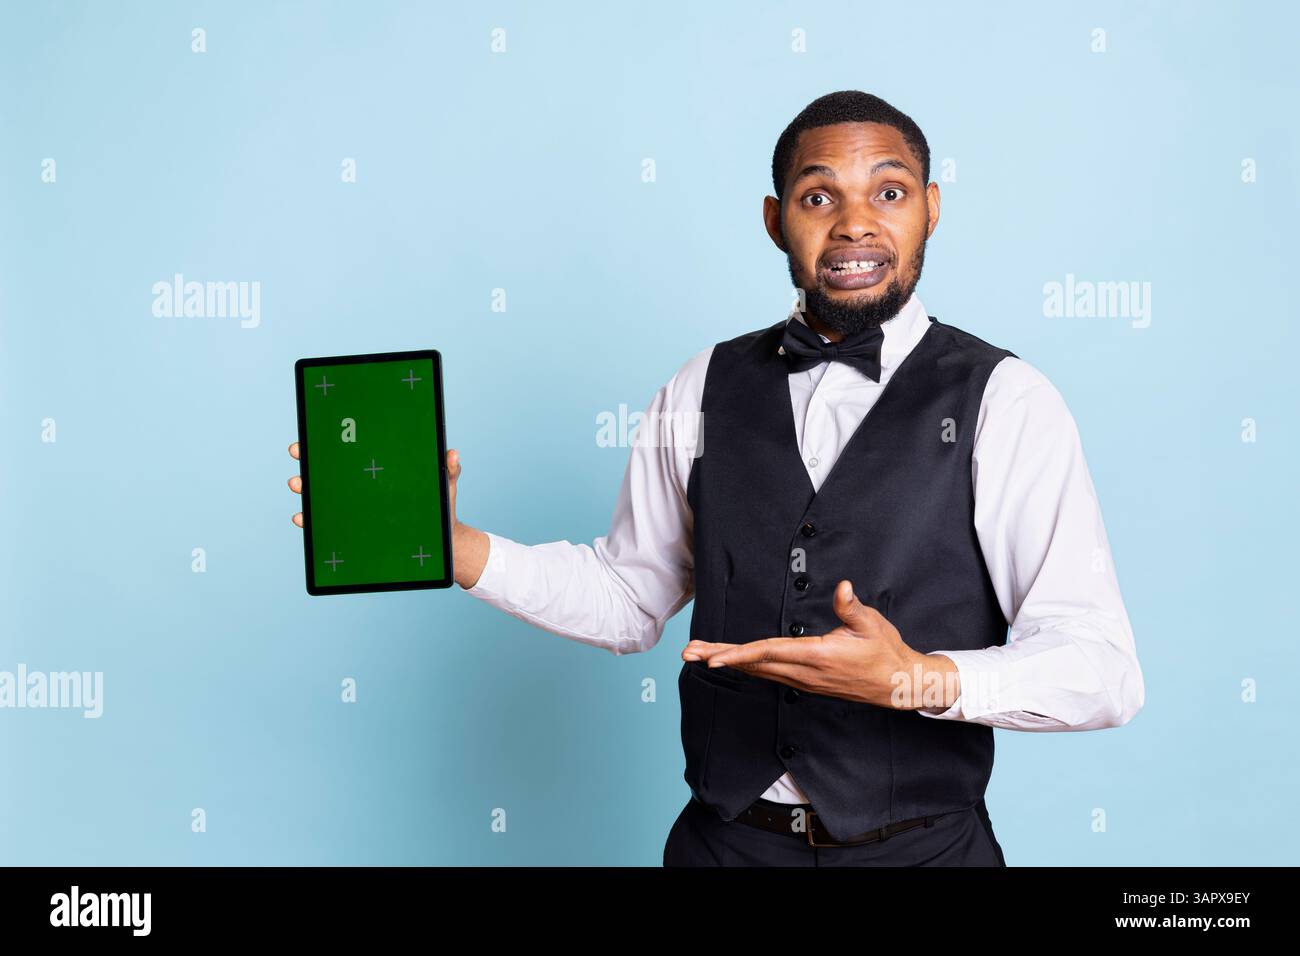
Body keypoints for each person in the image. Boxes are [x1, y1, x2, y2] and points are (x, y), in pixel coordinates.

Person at [287, 90, 1144, 866]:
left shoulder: (1007, 400)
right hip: (723, 847)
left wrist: (917, 679)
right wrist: (456, 546)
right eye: (819, 197)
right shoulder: (698, 388)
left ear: (931, 211)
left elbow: (1102, 669)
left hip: (925, 854)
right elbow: (629, 599)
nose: (854, 224)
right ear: (776, 220)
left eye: (889, 192)